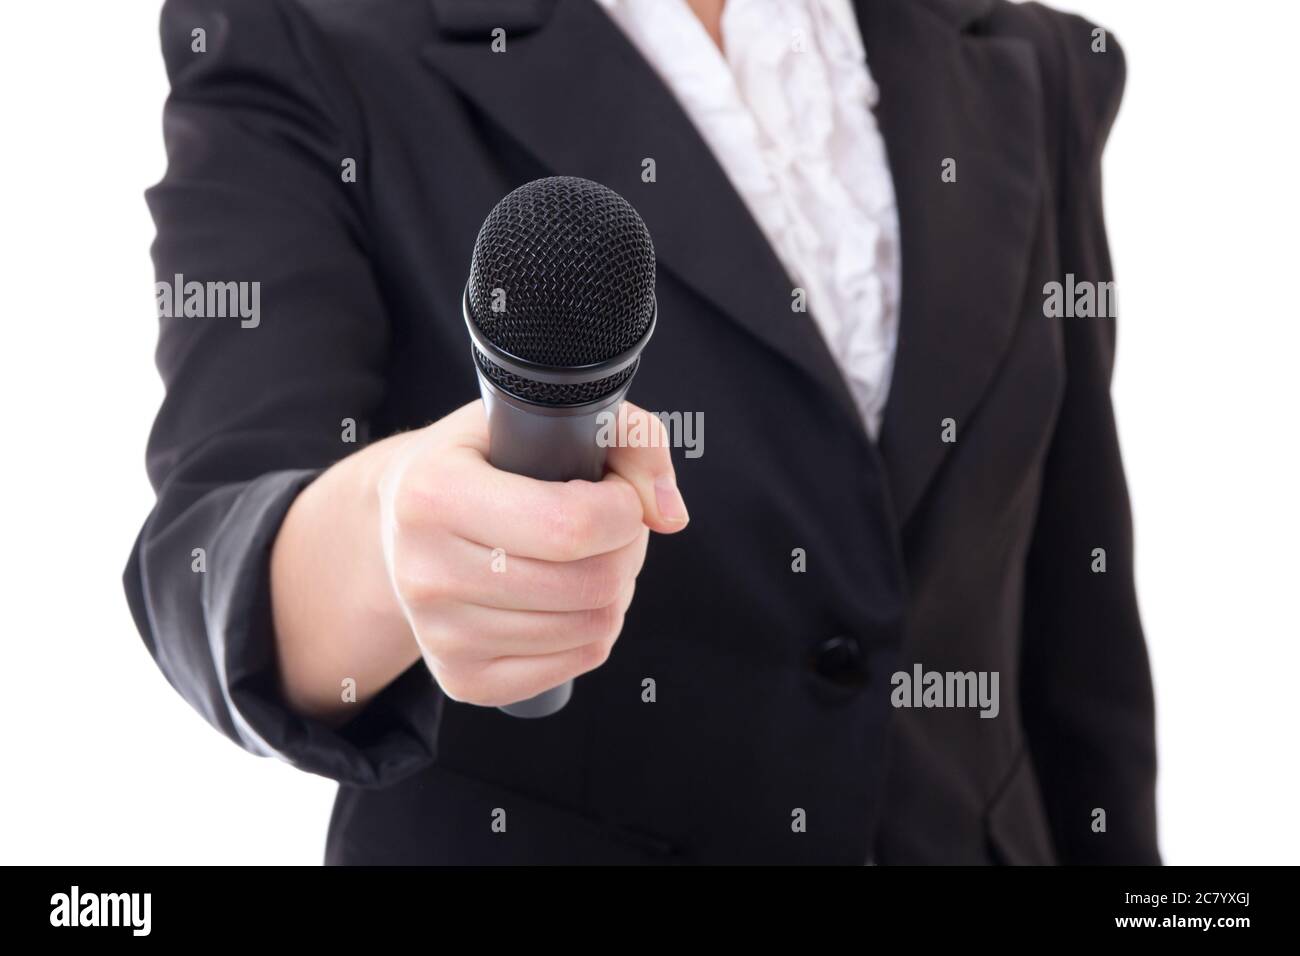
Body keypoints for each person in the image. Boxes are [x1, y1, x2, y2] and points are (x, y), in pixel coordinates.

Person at [125, 0, 1159, 864]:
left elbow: (1079, 641)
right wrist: (390, 530)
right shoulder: (306, 29)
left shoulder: (1025, 55)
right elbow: (211, 547)